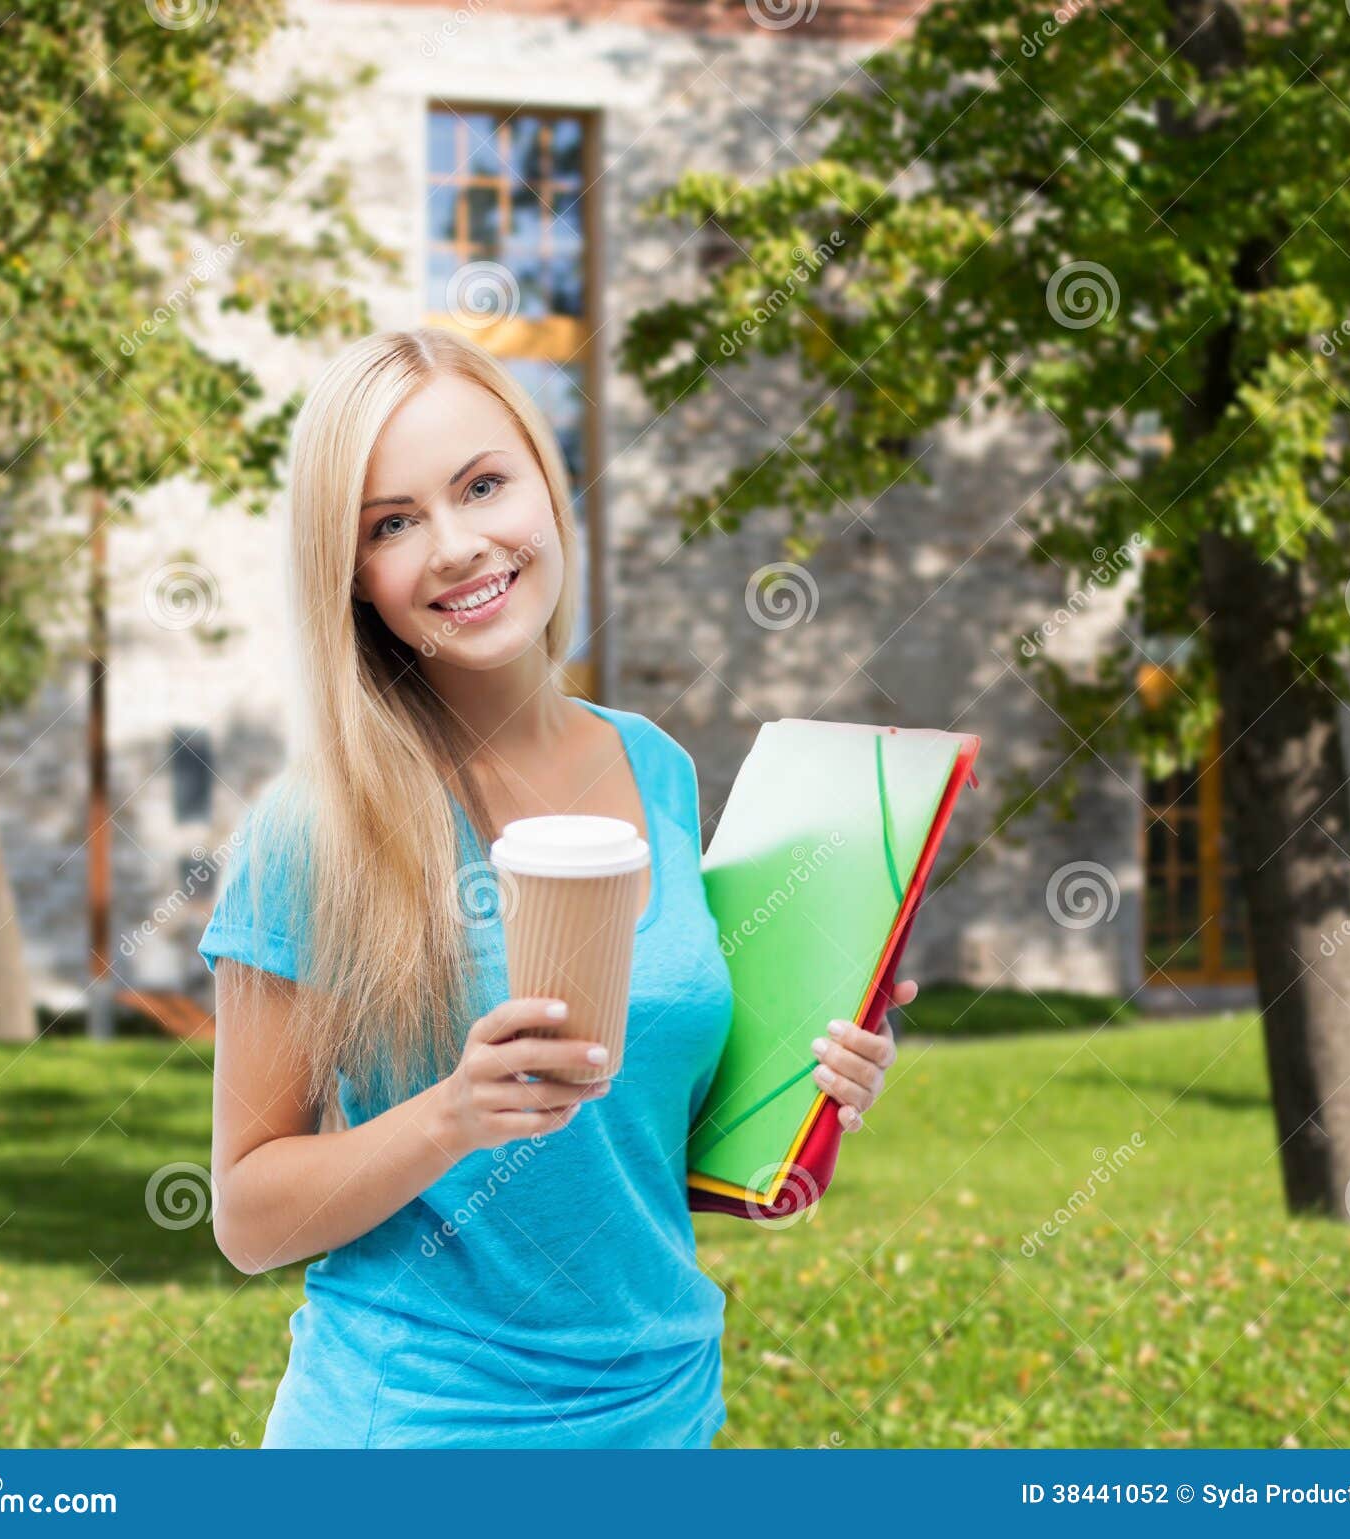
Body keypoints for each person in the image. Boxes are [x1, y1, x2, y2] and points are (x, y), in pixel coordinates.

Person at [198, 326, 909, 1448]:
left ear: (547, 486)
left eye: (484, 485)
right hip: (418, 1434)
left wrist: (814, 1080)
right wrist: (450, 1119)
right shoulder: (312, 829)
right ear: (354, 581)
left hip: (664, 1412)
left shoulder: (654, 765)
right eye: (392, 523)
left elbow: (640, 1128)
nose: (456, 547)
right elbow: (245, 1214)